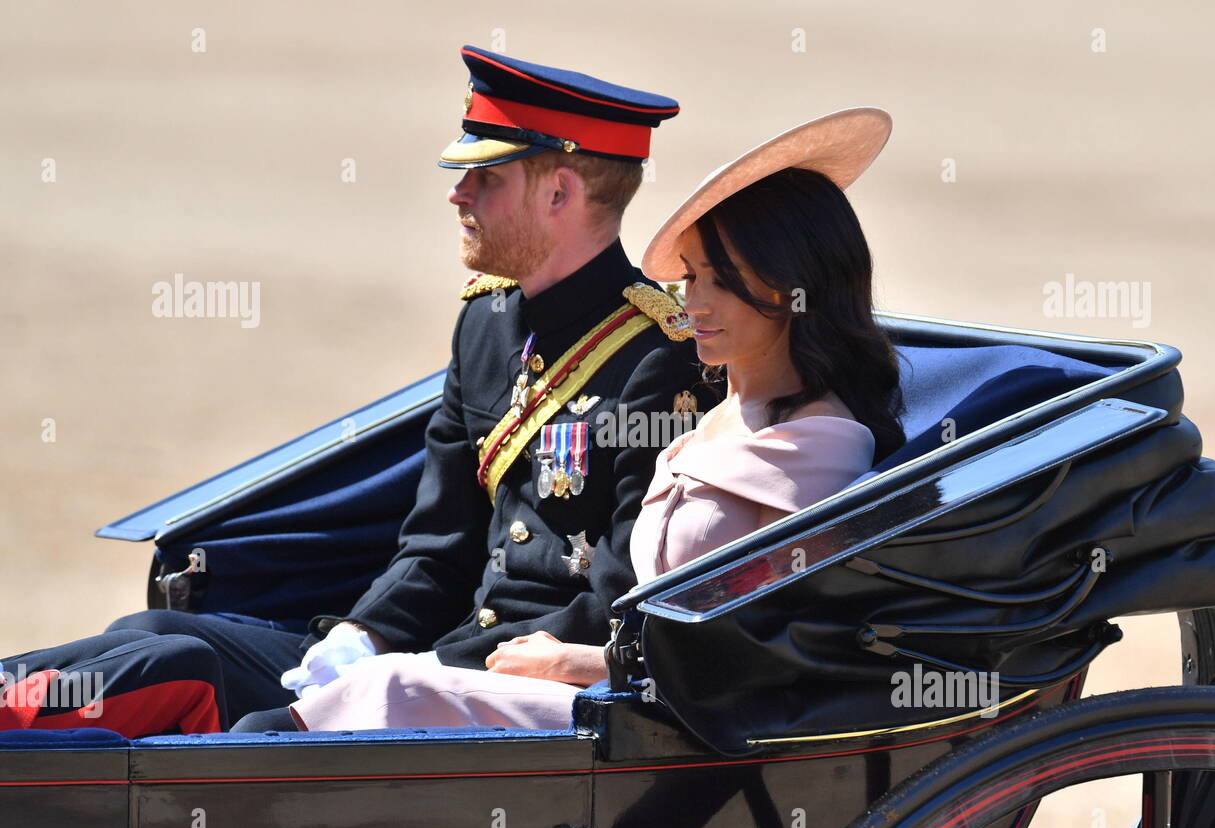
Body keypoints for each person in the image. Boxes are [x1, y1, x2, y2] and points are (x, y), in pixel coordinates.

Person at [0, 45, 711, 737]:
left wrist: (408, 666)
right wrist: (360, 636)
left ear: (559, 192)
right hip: (434, 656)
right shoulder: (487, 322)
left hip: (505, 690)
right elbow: (438, 547)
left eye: (487, 178)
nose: (456, 191)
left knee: (189, 678)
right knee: (156, 632)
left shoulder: (659, 361)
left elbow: (620, 599)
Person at [276, 107, 908, 733]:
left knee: (380, 694)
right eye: (692, 276)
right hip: (606, 691)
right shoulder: (726, 415)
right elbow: (443, 542)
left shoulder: (816, 444)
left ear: (791, 290)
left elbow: (778, 647)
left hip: (661, 727)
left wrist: (590, 659)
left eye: (724, 279)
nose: (694, 303)